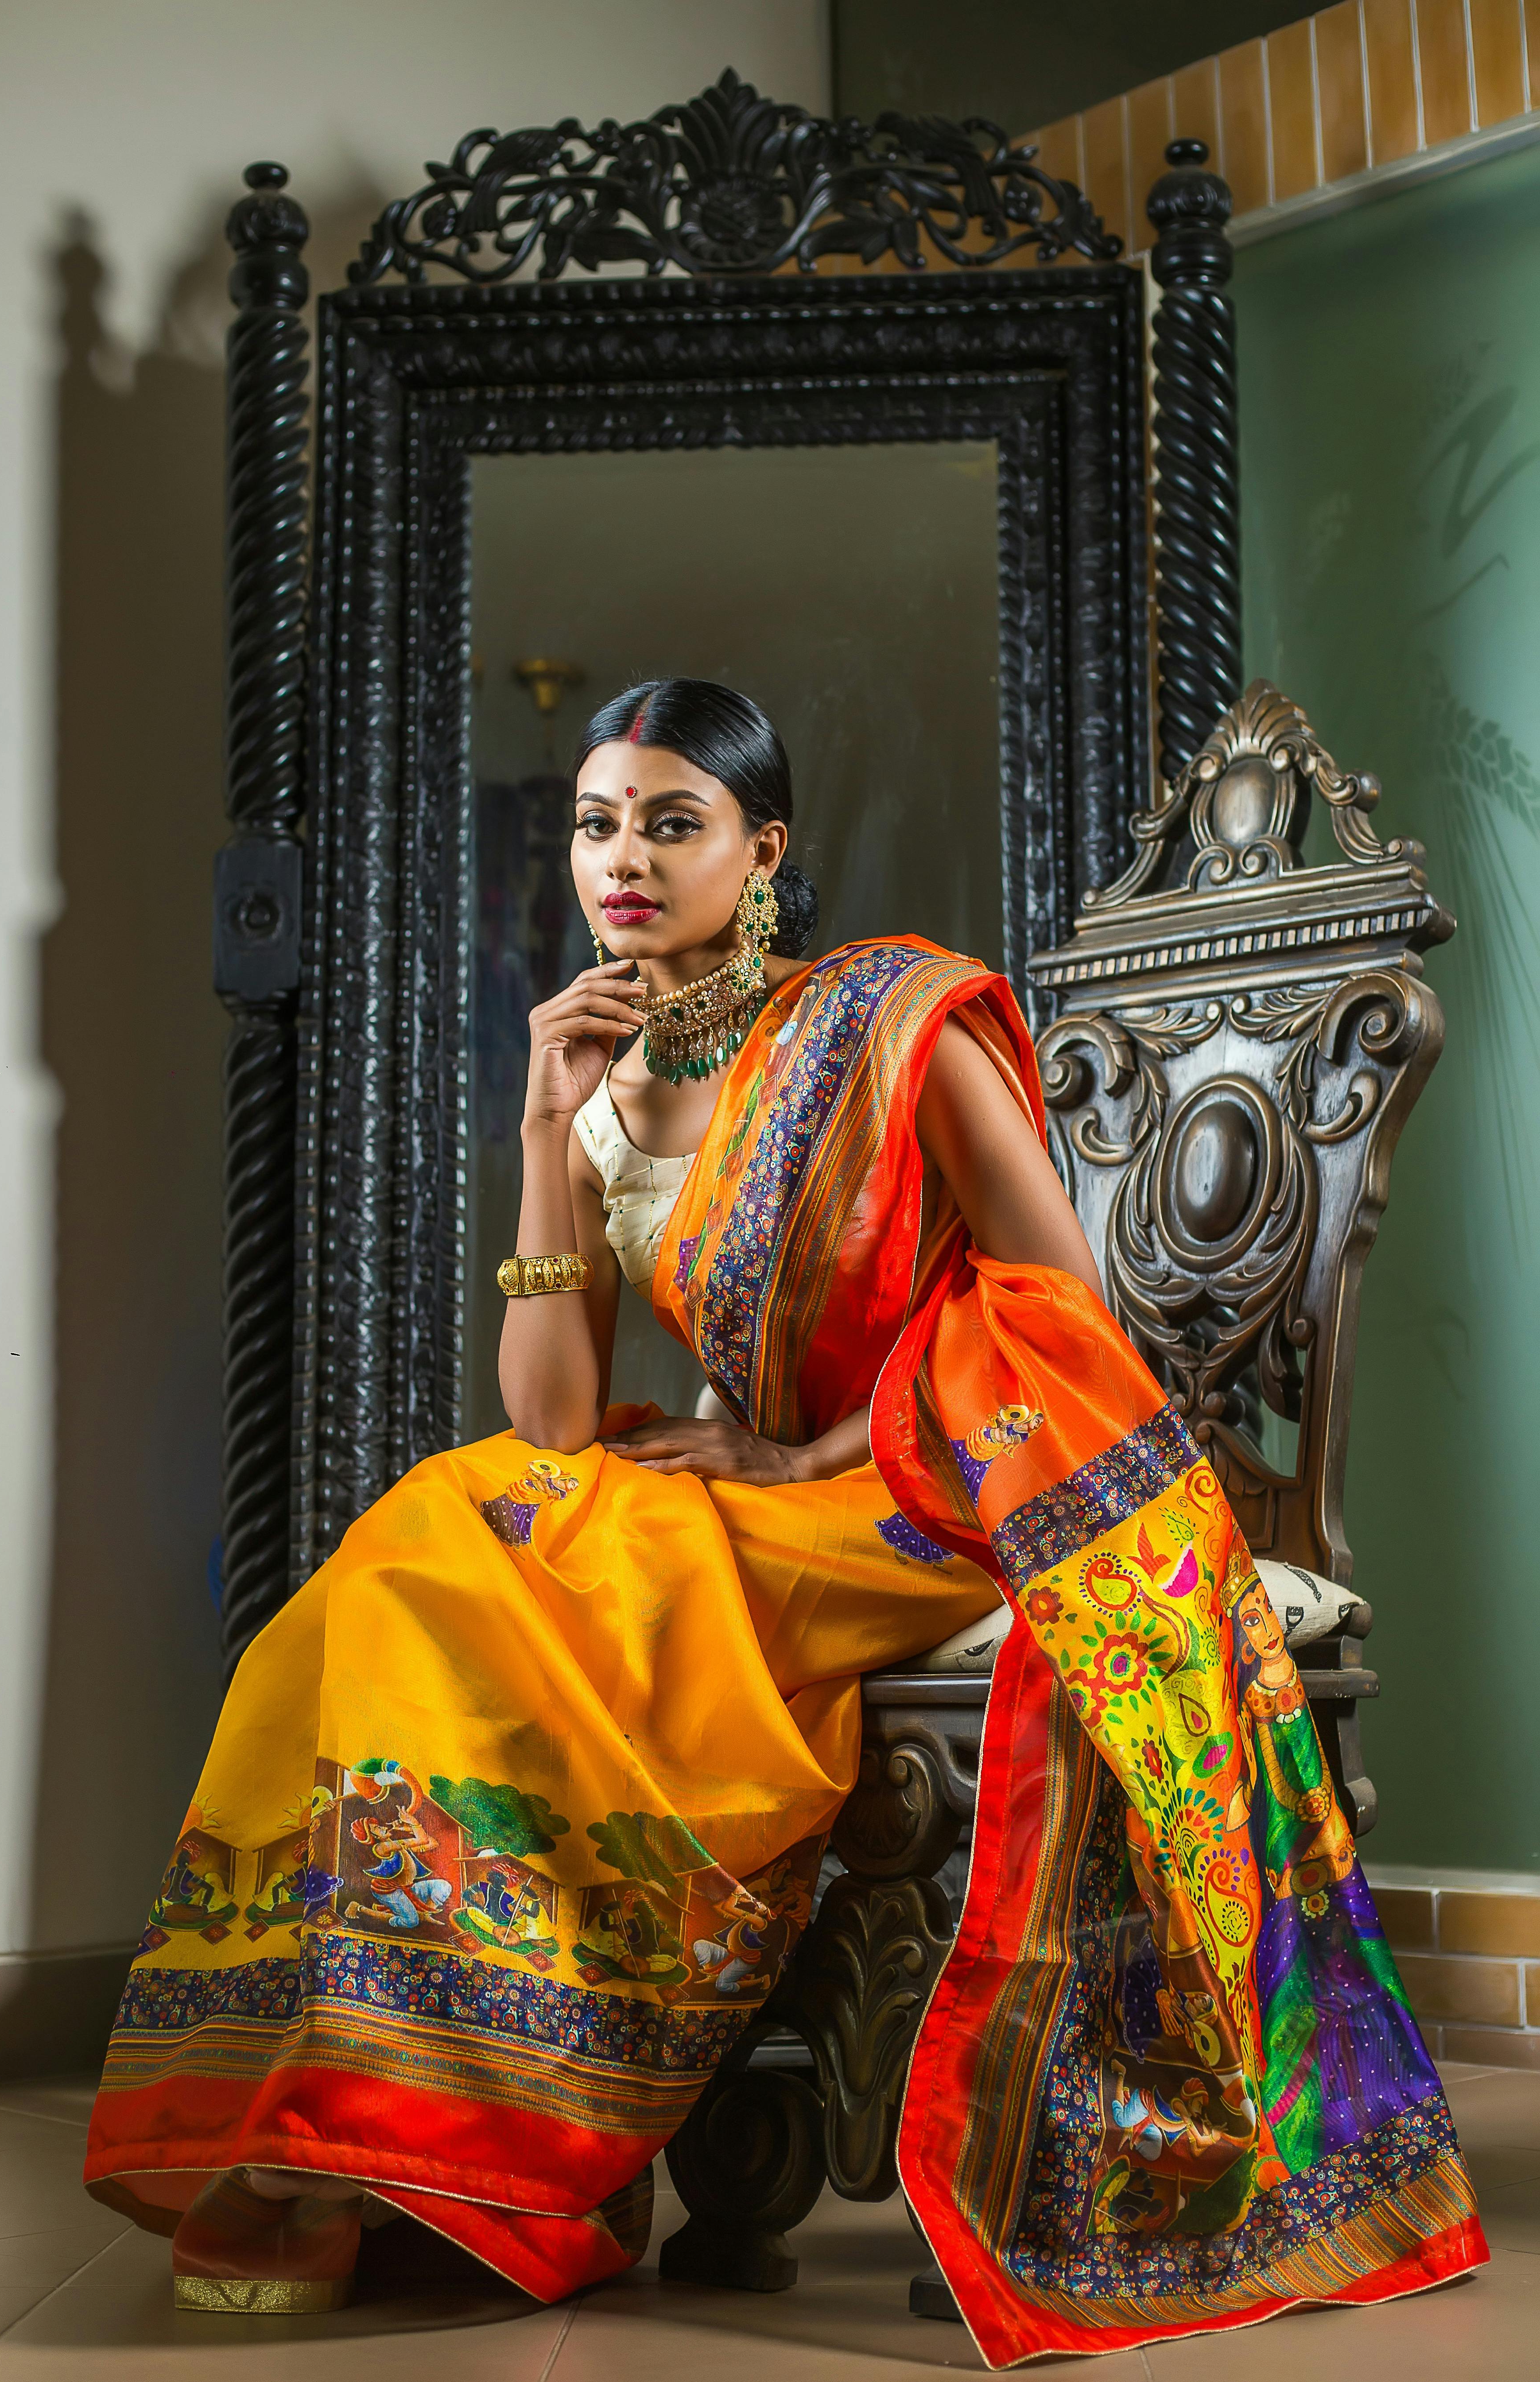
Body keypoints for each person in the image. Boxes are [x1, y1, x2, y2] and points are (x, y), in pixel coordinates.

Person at [85, 679, 1484, 2362]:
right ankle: (391, 2124)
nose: (623, 858)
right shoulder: (602, 1084)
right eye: (597, 823)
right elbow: (549, 1415)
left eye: (670, 822)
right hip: (743, 1493)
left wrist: (814, 1447)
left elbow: (1060, 1307)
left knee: (511, 1572)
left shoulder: (891, 1020)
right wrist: (542, 1122)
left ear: (761, 851)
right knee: (415, 1552)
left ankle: (458, 2124)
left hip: (945, 1492)